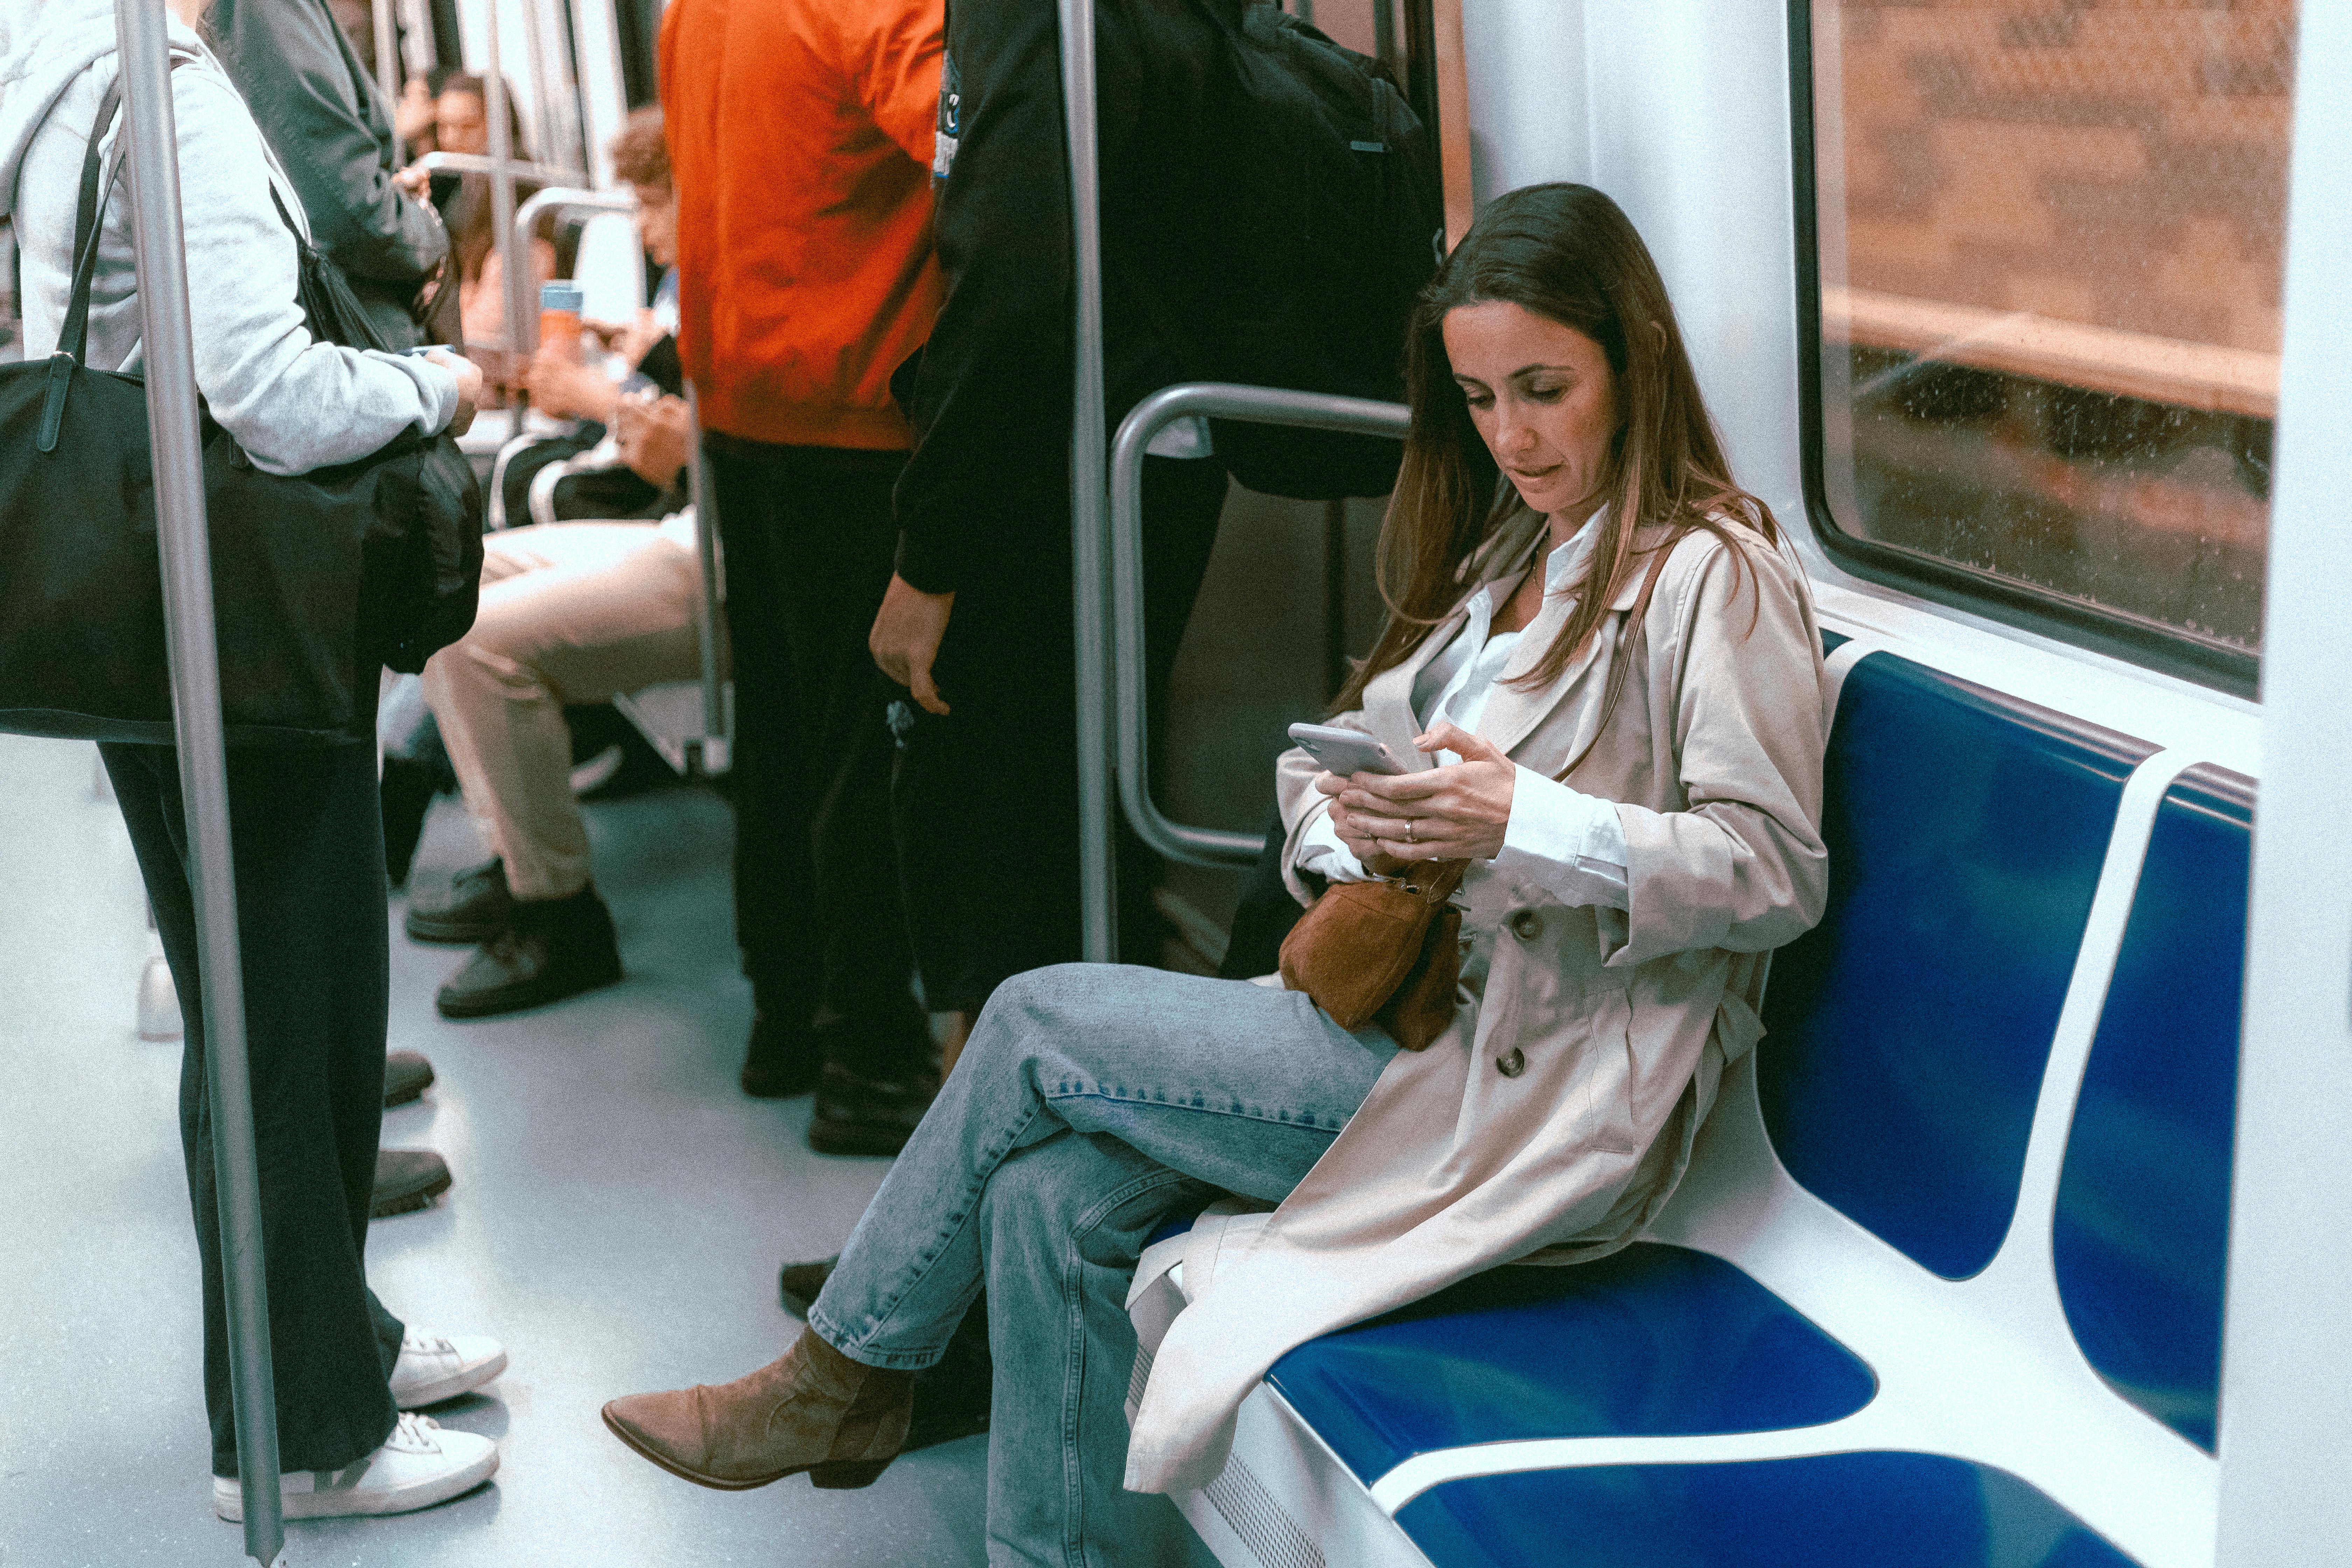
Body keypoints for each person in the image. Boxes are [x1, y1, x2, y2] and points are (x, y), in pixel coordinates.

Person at [603, 183, 1830, 1563]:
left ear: (1637, 366)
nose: (1514, 436)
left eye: (1545, 390)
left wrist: (1519, 822)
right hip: (1410, 1025)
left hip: (1533, 1085)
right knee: (1046, 1197)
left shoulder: (1717, 581)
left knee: (1027, 1019)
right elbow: (1327, 771)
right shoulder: (1516, 557)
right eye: (1482, 399)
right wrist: (1352, 828)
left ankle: (840, 1382)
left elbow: (1773, 868)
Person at [0, 0, 507, 1521]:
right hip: (243, 621)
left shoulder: (42, 74)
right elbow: (272, 398)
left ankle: (325, 1340)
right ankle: (303, 1438)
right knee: (300, 1013)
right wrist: (444, 390)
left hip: (148, 613)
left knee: (249, 1009)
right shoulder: (168, 100)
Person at [868, 0, 1236, 1078]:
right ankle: (1034, 1211)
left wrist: (929, 555)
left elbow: (1011, 280)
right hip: (1150, 442)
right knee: (1074, 856)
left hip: (1055, 463)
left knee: (998, 870)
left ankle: (973, 1228)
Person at [659, 0, 946, 1144]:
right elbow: (976, 148)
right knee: (863, 746)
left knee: (778, 730)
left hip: (743, 403)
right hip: (853, 413)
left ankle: (785, 1016)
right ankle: (872, 1060)